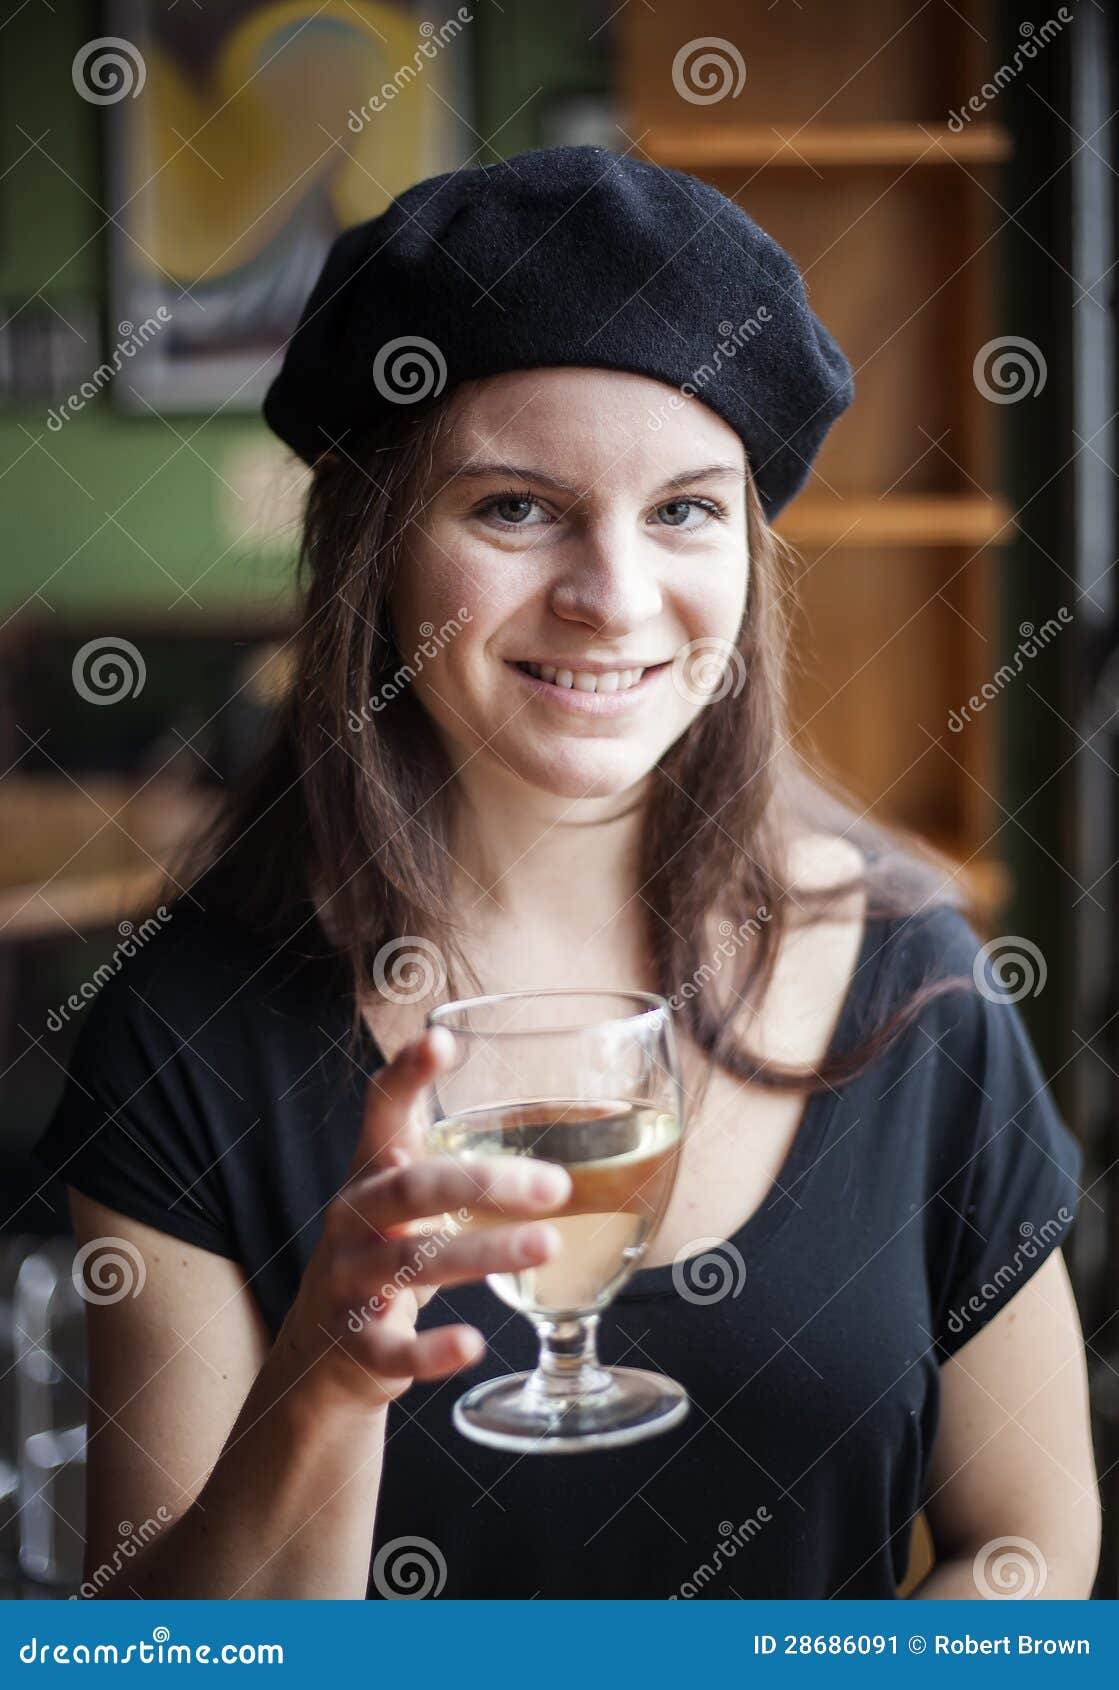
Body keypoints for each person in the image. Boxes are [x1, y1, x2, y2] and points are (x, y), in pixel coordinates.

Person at [35, 146, 1099, 1601]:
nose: (613, 596)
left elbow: (1027, 1545)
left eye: (684, 509)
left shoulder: (918, 977)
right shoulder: (183, 1034)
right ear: (375, 551)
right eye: (516, 507)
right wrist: (327, 1383)